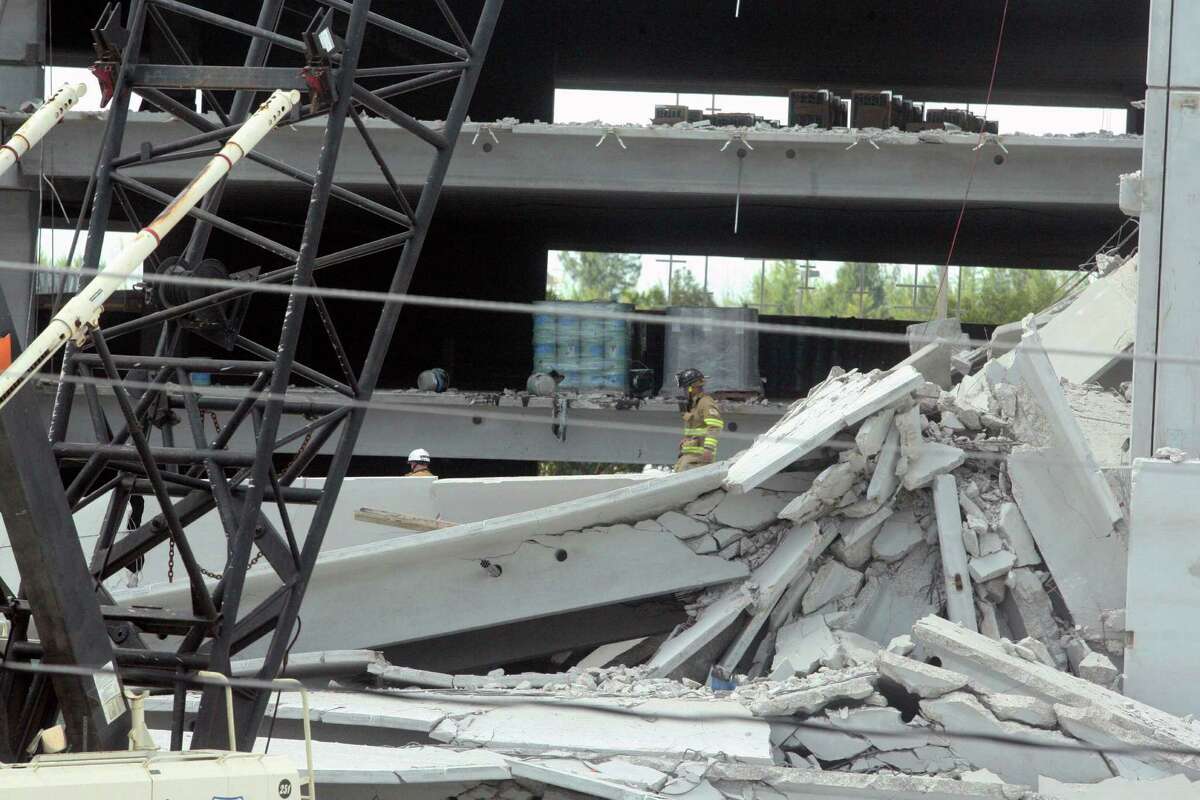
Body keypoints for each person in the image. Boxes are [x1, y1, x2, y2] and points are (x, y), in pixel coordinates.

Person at [674, 368, 723, 472]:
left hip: (698, 459)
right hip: (690, 457)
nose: (685, 391)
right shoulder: (694, 405)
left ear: (692, 388)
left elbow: (715, 426)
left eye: (685, 388)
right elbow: (696, 428)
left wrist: (708, 449)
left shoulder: (705, 403)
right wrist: (687, 439)